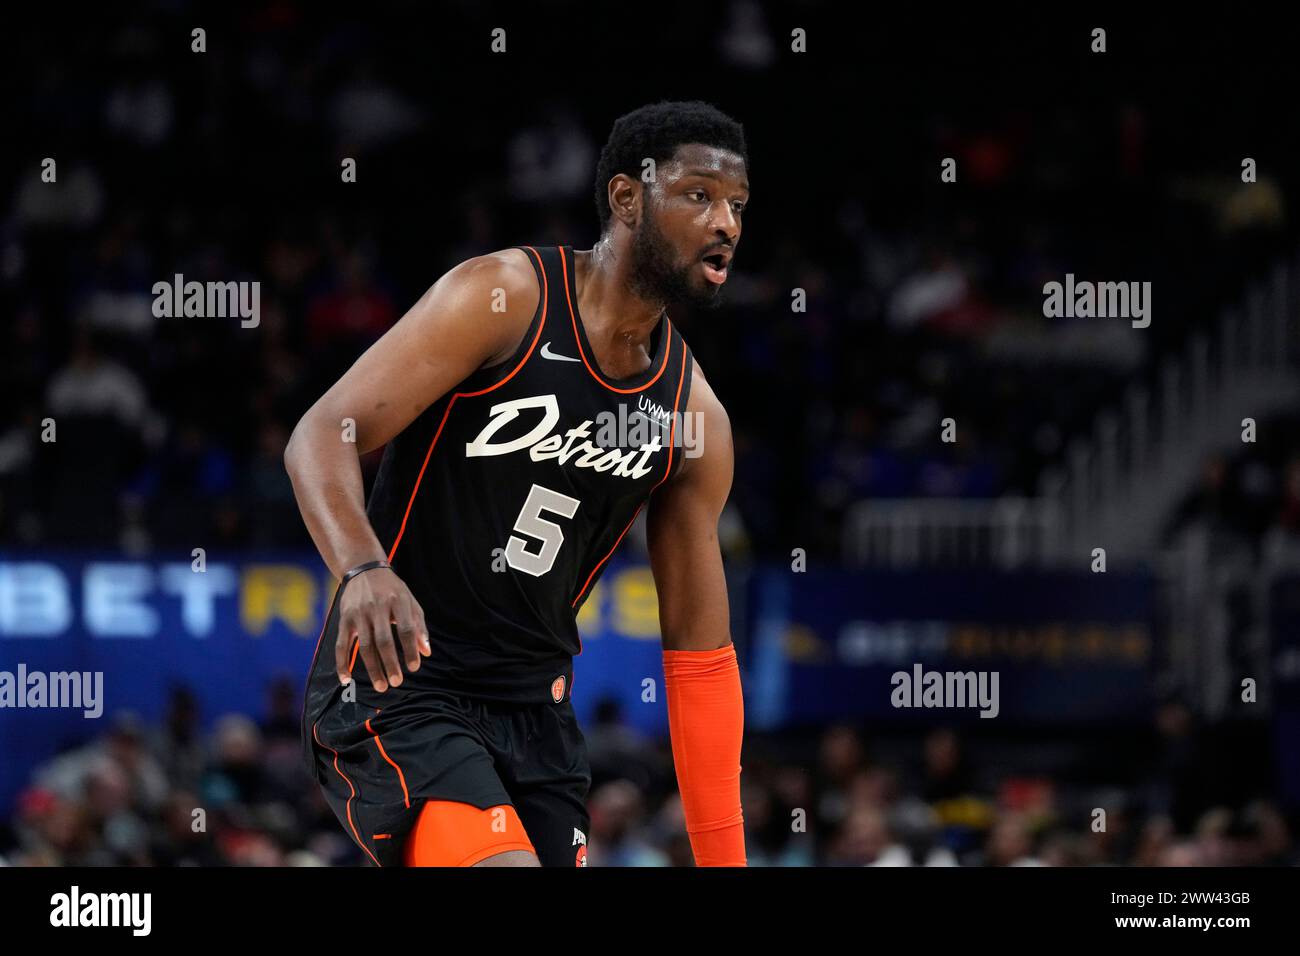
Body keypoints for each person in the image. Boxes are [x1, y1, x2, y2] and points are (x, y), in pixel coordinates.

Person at [286, 100, 751, 866]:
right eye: (698, 195)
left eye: (737, 205)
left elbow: (700, 657)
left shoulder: (691, 416)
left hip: (538, 718)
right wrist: (363, 569)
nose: (725, 222)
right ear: (627, 198)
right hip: (404, 686)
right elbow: (321, 434)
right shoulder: (504, 299)